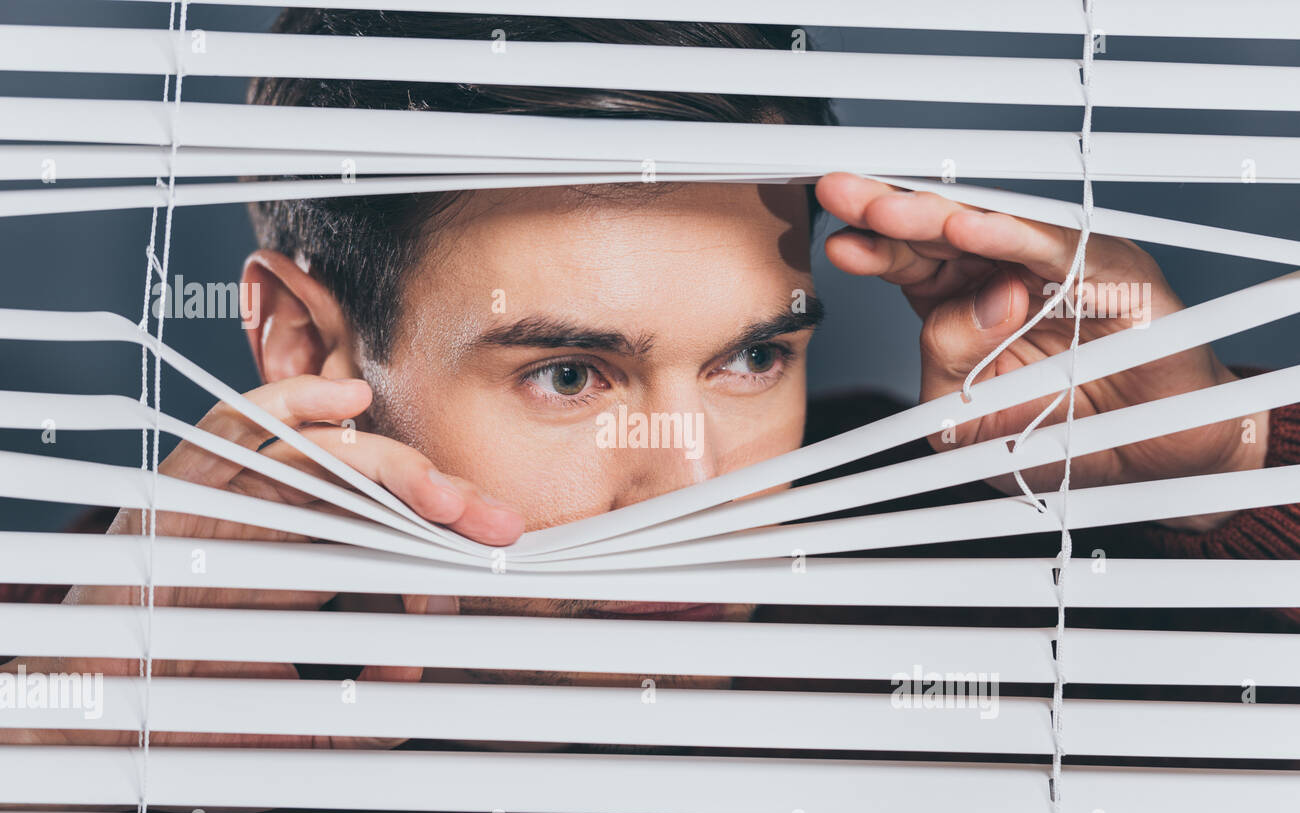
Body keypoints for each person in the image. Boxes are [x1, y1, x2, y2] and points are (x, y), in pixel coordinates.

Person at [3, 12, 1297, 749]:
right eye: (570, 373)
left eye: (754, 357)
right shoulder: (65, 671)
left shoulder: (985, 557)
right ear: (301, 345)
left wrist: (1220, 463)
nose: (695, 492)